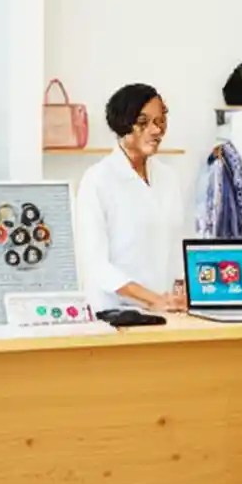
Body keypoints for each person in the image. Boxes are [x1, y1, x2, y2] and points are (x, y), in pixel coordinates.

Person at [76, 83, 193, 312]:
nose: (156, 130)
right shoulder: (97, 180)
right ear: (123, 124)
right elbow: (96, 264)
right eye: (143, 123)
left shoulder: (168, 178)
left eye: (160, 121)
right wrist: (152, 299)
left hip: (166, 311)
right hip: (115, 313)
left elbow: (178, 244)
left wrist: (181, 292)